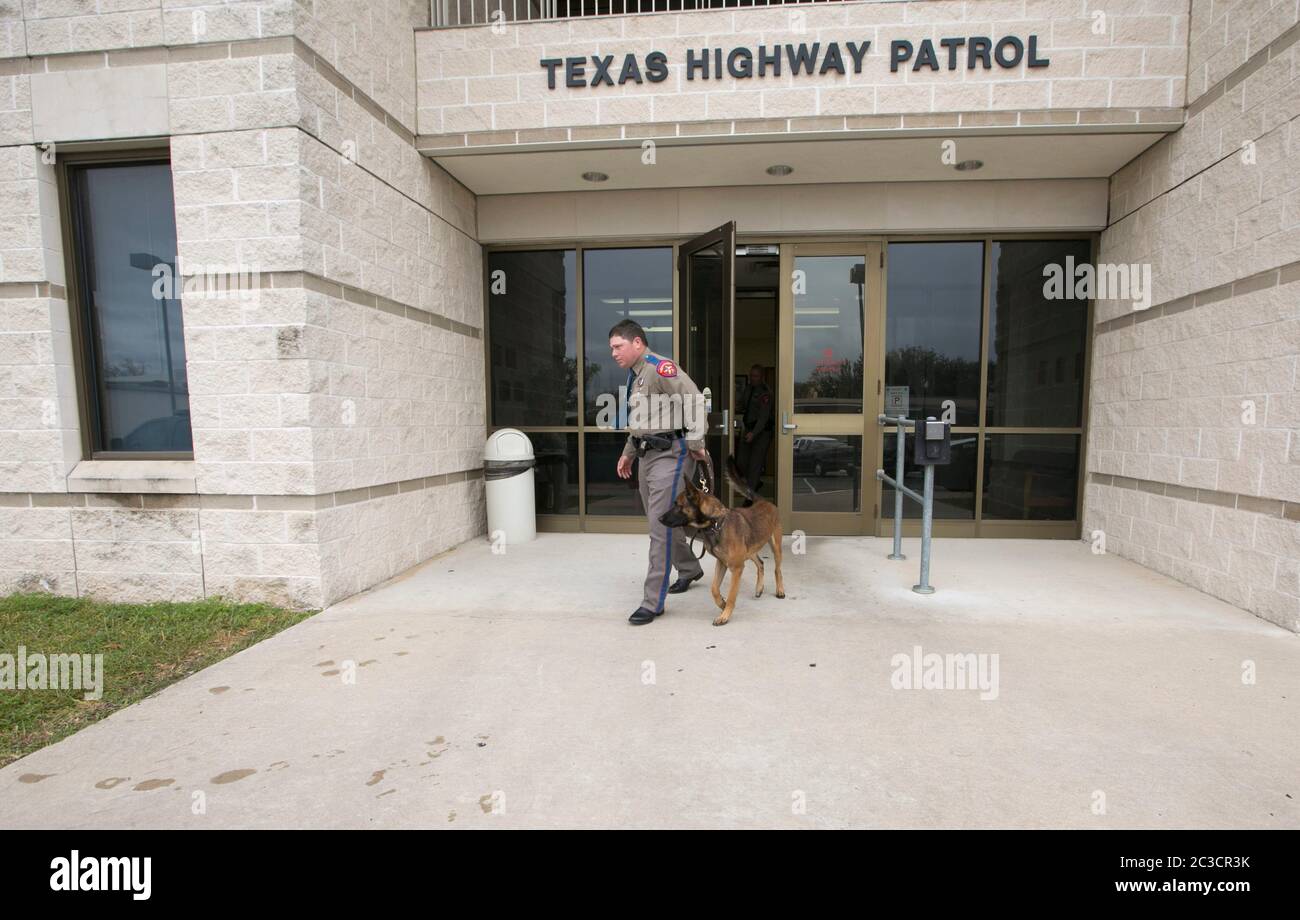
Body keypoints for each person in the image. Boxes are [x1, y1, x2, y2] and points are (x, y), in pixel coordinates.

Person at [610, 319, 710, 626]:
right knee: (662, 521)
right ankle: (690, 568)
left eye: (618, 346)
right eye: (612, 347)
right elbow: (641, 422)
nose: (613, 353)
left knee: (659, 527)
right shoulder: (636, 375)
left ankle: (652, 602)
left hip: (672, 454)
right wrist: (628, 453)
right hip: (647, 456)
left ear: (637, 343)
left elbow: (695, 399)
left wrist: (695, 442)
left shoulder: (660, 367)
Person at [736, 363, 773, 505]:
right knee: (741, 462)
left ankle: (750, 498)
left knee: (755, 465)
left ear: (762, 377)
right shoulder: (749, 389)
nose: (753, 378)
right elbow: (742, 404)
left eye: (756, 376)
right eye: (751, 375)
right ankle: (755, 483)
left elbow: (763, 417)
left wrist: (753, 433)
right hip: (749, 428)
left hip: (761, 432)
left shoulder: (765, 393)